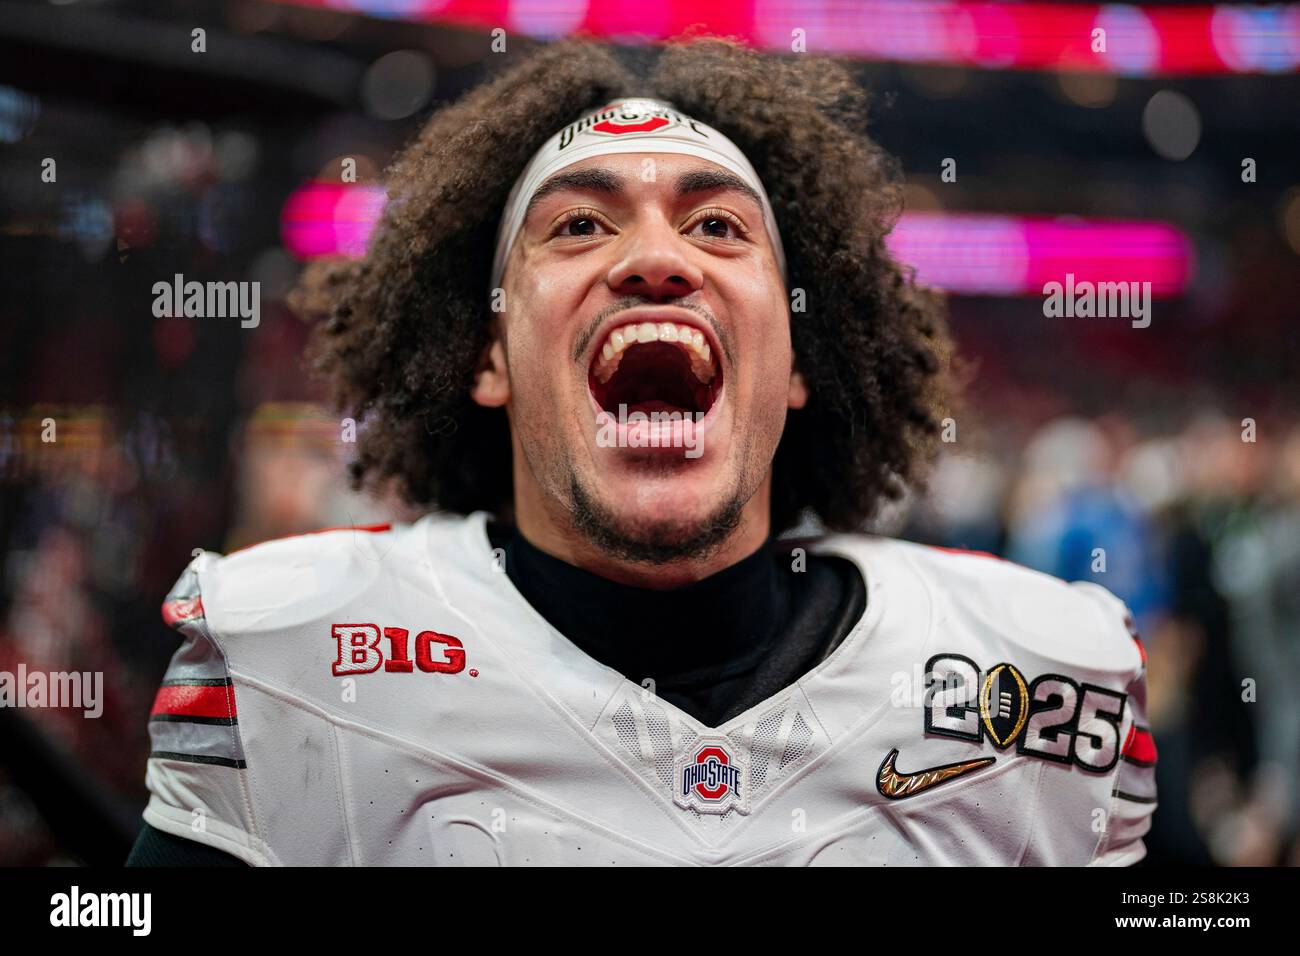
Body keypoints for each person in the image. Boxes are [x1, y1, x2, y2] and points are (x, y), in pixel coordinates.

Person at [127, 36, 1154, 866]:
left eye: (716, 225)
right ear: (485, 353)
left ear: (800, 356)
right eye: (578, 225)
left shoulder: (1037, 684)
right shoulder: (296, 662)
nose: (657, 259)